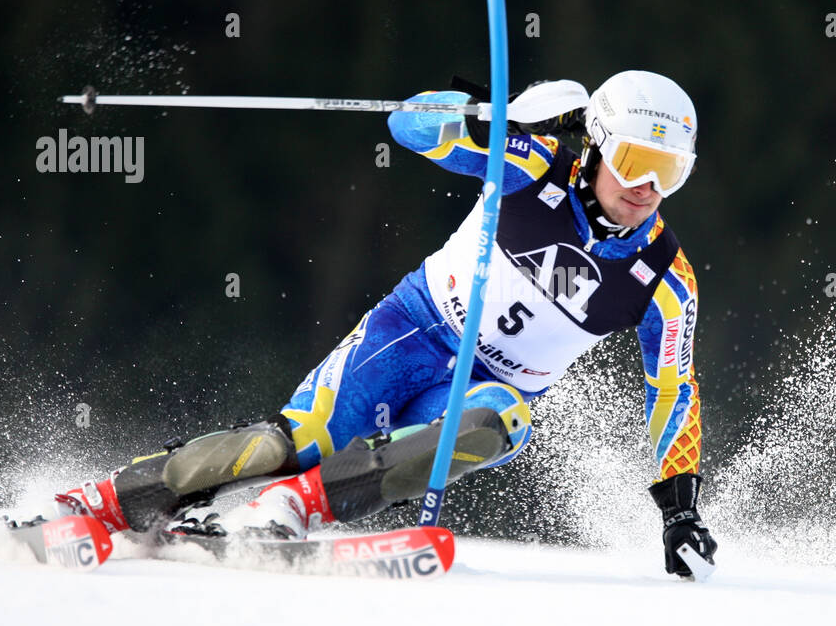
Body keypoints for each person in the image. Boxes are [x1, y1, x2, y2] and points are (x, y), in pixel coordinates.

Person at [51, 71, 717, 577]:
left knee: (500, 427)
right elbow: (408, 126)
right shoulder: (529, 162)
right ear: (597, 145)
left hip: (486, 386)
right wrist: (490, 114)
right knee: (296, 442)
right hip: (414, 330)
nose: (645, 189)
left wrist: (680, 507)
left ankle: (291, 508)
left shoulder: (664, 279)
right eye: (634, 163)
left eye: (669, 174)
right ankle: (107, 500)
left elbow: (674, 393)